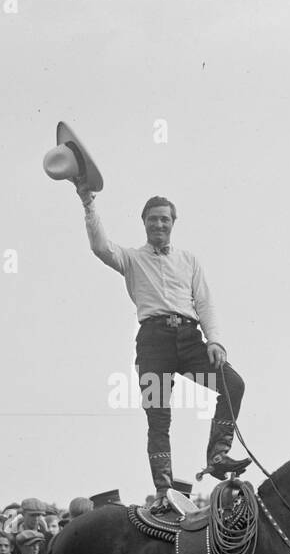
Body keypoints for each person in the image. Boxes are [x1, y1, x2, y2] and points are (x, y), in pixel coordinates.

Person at [77, 181, 250, 512]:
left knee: (233, 383)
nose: (159, 224)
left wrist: (214, 341)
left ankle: (217, 454)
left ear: (173, 223)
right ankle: (163, 488)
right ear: (144, 223)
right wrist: (88, 203)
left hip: (189, 339)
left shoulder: (189, 260)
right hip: (154, 343)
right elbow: (100, 247)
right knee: (158, 416)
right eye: (153, 219)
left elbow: (205, 302)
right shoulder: (131, 258)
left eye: (165, 219)